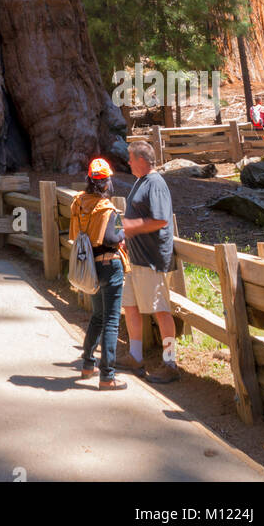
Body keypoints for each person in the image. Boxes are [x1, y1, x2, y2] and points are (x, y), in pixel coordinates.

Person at [118, 139, 178, 384]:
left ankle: (170, 362)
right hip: (136, 259)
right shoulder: (141, 181)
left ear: (142, 160)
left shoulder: (156, 183)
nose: (129, 162)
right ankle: (135, 356)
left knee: (160, 310)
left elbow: (161, 220)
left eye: (131, 159)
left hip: (151, 259)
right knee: (130, 306)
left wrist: (130, 227)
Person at [68, 158, 129, 391]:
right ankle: (107, 376)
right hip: (109, 266)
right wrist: (122, 236)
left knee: (97, 316)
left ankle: (87, 364)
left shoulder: (79, 202)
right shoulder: (108, 208)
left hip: (90, 267)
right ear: (105, 183)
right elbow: (113, 239)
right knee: (112, 322)